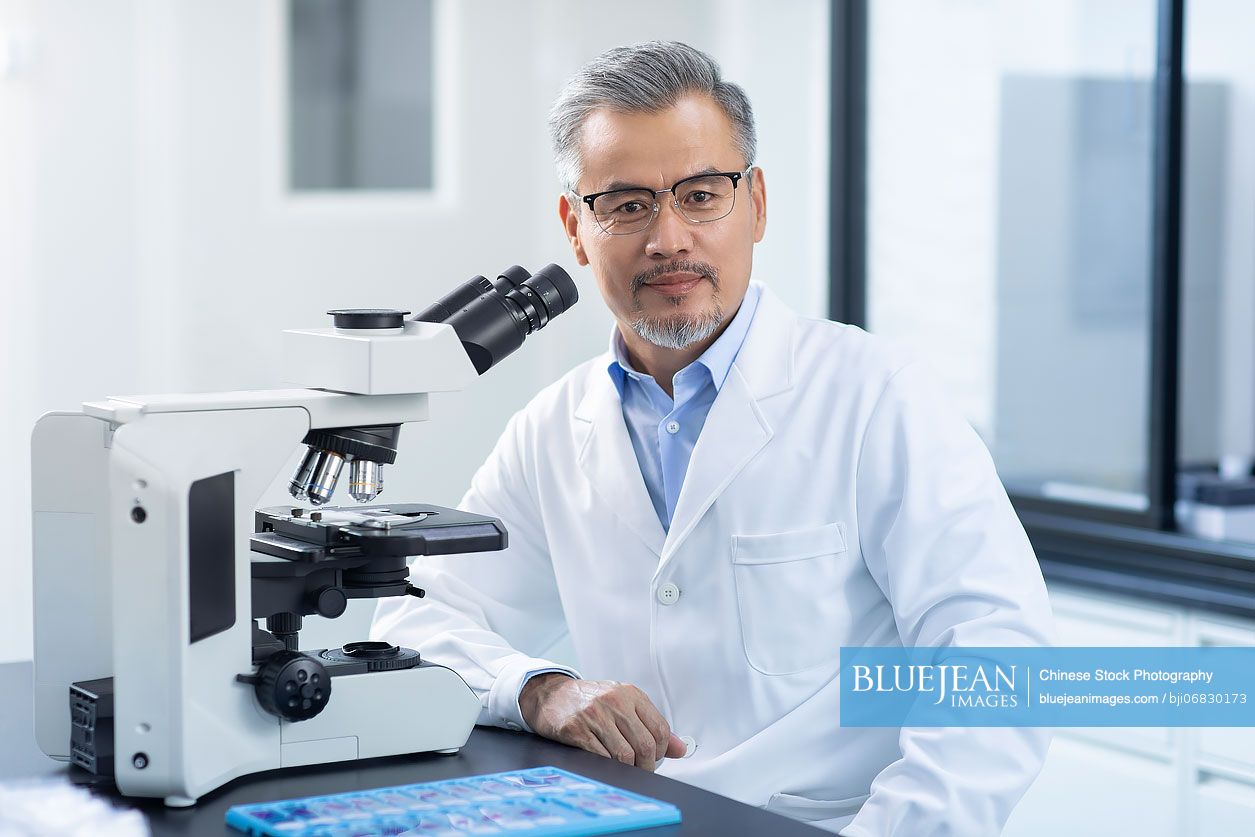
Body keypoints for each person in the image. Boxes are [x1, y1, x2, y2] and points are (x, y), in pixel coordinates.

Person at [372, 40, 1054, 835]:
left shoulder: (874, 397)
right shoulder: (551, 429)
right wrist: (541, 689)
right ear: (574, 225)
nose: (666, 238)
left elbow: (999, 663)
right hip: (623, 816)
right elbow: (414, 622)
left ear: (755, 203)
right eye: (626, 204)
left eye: (700, 195)